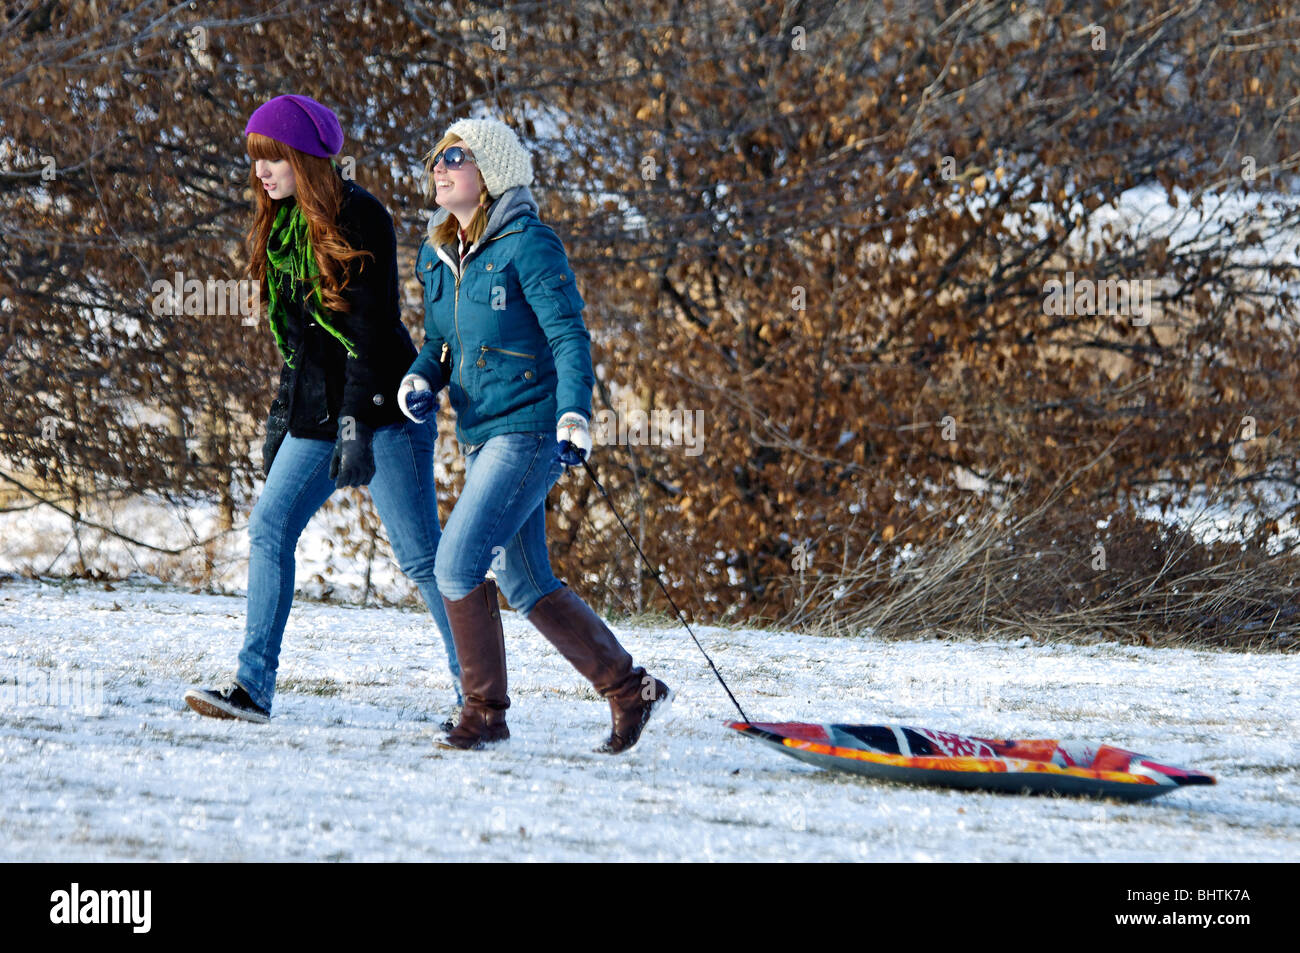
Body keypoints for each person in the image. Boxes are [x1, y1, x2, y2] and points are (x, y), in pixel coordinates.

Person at [184, 94, 460, 723]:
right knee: (270, 527)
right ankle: (253, 690)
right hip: (316, 409)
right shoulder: (281, 225)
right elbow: (301, 338)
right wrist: (285, 411)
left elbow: (370, 331)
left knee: (420, 557)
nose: (260, 172)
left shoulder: (361, 216)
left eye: (272, 158)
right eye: (255, 160)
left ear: (305, 159)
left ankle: (478, 695)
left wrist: (356, 425)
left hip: (380, 407)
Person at [400, 117, 670, 752]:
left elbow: (569, 337)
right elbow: (441, 343)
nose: (440, 168)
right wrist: (420, 378)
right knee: (523, 580)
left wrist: (575, 414)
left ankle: (484, 715)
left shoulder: (529, 244)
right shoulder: (437, 253)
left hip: (528, 430)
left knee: (456, 562)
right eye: (437, 157)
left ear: (491, 173)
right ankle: (632, 691)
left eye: (456, 157)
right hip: (478, 430)